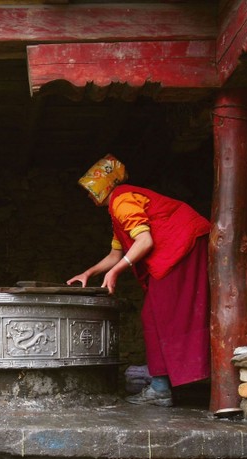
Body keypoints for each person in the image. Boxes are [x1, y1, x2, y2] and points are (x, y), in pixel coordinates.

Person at [68, 155, 210, 407]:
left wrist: (116, 272)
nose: (88, 196)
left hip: (181, 248)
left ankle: (162, 387)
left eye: (90, 190)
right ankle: (161, 386)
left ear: (102, 187)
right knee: (153, 316)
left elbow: (145, 242)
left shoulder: (122, 200)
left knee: (165, 315)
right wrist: (88, 273)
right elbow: (116, 253)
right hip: (175, 251)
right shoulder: (117, 211)